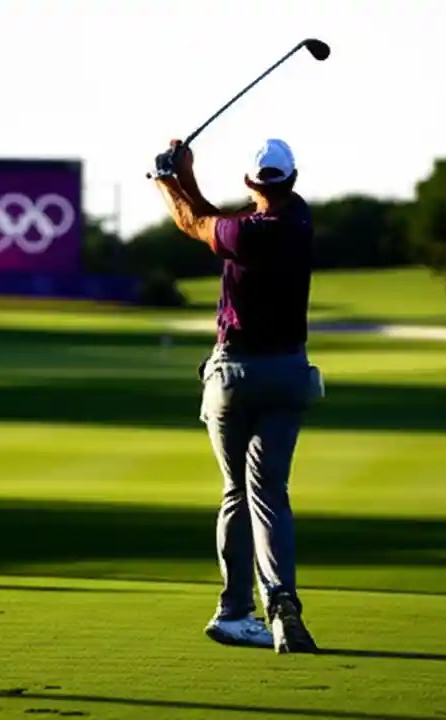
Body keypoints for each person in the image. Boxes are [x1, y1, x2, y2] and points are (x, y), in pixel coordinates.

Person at [150, 137, 320, 654]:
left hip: (234, 375)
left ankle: (234, 611)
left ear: (250, 183)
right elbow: (212, 222)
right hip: (288, 372)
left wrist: (168, 179)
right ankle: (283, 603)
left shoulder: (246, 234)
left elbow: (193, 223)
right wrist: (184, 180)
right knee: (271, 494)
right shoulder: (300, 221)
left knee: (235, 492)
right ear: (292, 180)